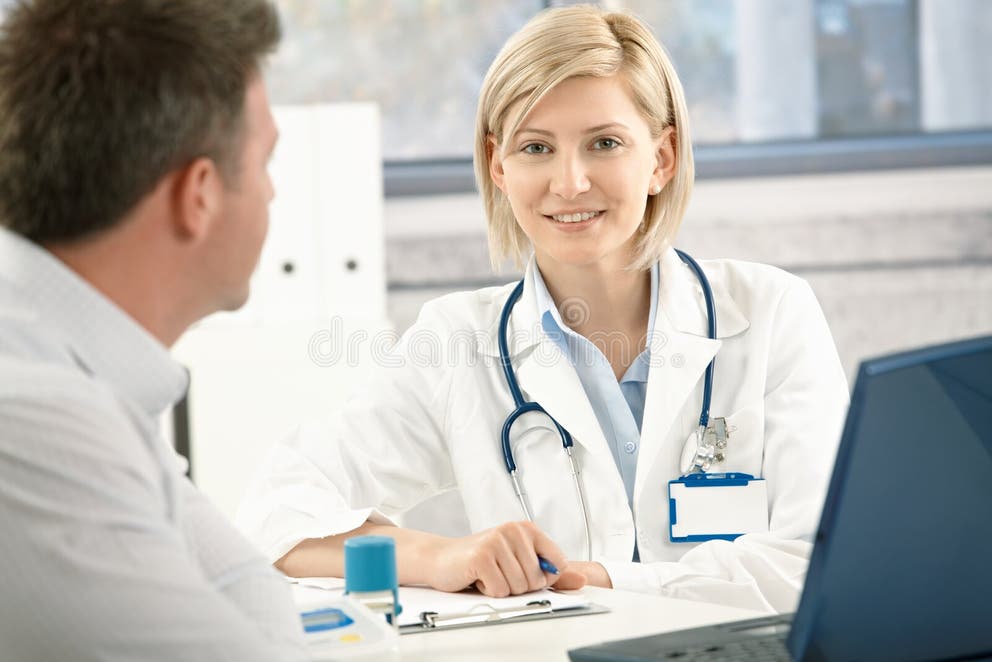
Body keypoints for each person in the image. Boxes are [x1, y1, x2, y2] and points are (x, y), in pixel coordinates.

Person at [238, 5, 849, 614]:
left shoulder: (770, 313)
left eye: (604, 143)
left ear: (661, 158)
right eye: (536, 148)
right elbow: (277, 509)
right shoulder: (457, 343)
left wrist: (601, 581)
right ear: (498, 166)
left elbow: (821, 562)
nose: (570, 182)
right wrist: (441, 557)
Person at [0, 1, 308, 659]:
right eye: (263, 163)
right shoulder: (35, 425)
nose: (272, 195)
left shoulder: (79, 373)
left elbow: (243, 582)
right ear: (197, 195)